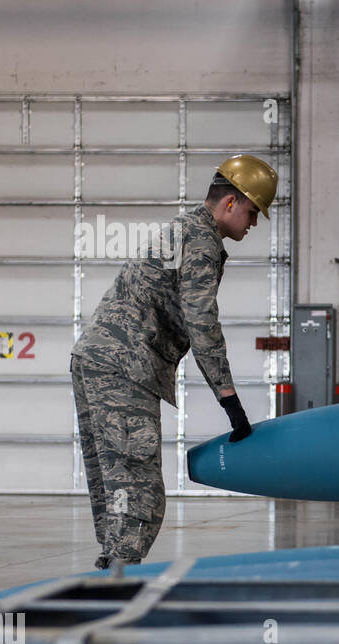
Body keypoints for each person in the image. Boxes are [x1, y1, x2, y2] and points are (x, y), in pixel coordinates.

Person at [70, 154, 277, 569]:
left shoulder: (182, 229)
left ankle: (112, 574)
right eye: (253, 212)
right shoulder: (201, 243)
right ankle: (119, 584)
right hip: (124, 369)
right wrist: (229, 399)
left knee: (116, 486)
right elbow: (203, 323)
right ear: (230, 203)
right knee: (140, 490)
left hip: (95, 360)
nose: (253, 224)